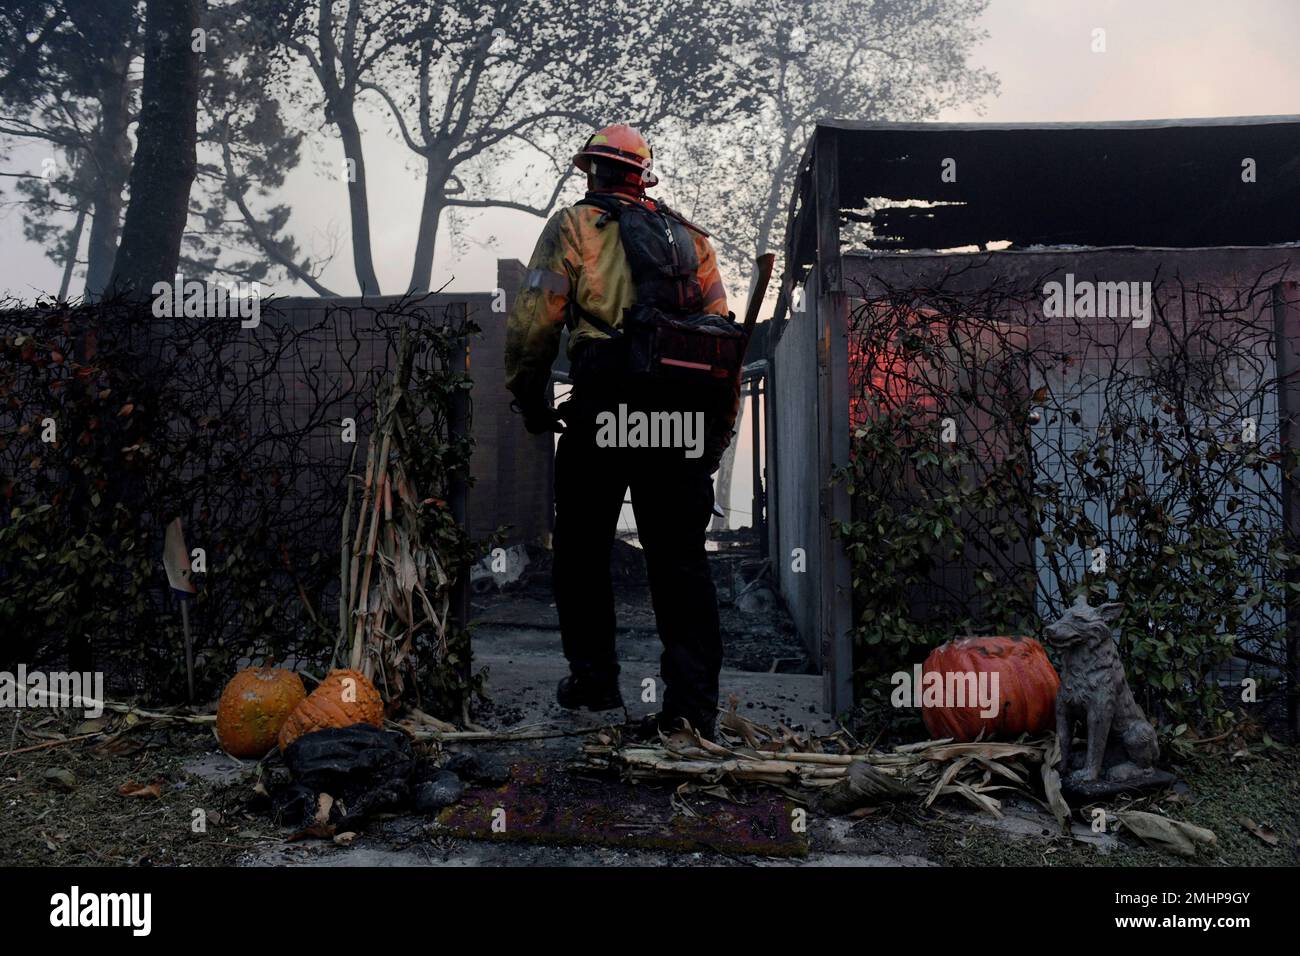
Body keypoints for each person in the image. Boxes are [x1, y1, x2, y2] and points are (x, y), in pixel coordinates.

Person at [504, 123, 740, 740]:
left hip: (605, 405)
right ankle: (691, 708)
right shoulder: (692, 240)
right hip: (678, 415)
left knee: (581, 551)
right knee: (681, 561)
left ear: (592, 171)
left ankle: (596, 683)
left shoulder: (574, 226)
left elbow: (534, 324)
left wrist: (531, 401)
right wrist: (716, 431)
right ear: (644, 175)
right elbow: (722, 349)